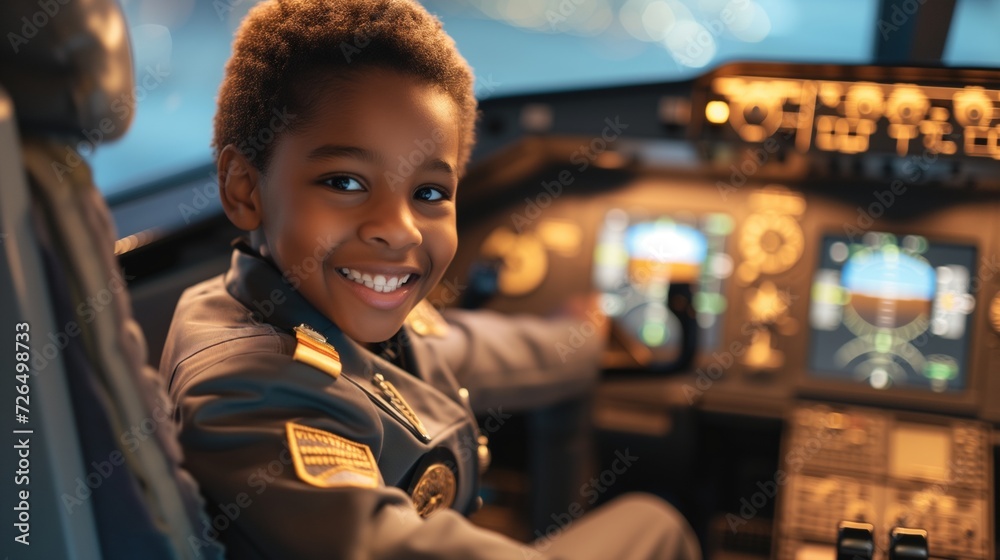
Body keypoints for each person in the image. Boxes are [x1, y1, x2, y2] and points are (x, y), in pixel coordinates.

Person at [159, 0, 702, 558]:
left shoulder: (300, 303)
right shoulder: (245, 394)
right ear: (244, 190)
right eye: (345, 182)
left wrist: (586, 337)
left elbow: (462, 350)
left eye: (429, 194)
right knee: (654, 524)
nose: (400, 232)